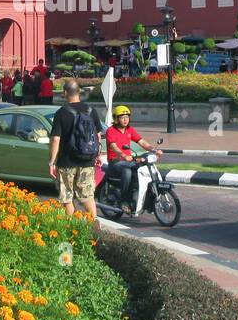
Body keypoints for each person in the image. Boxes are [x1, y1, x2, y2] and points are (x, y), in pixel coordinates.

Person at [49, 80, 104, 222]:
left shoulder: (61, 113)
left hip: (66, 162)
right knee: (87, 194)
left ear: (65, 93)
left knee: (67, 195)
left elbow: (56, 139)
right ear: (79, 92)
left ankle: (71, 224)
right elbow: (98, 136)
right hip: (87, 160)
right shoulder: (91, 111)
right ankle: (94, 220)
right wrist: (97, 154)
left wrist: (51, 162)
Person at [104, 105, 161, 213]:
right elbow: (113, 146)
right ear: (116, 119)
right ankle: (124, 200)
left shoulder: (129, 130)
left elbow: (142, 142)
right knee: (127, 171)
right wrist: (123, 155)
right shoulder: (110, 131)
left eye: (127, 117)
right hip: (116, 162)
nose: (125, 120)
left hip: (129, 161)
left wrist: (154, 150)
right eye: (122, 117)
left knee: (144, 169)